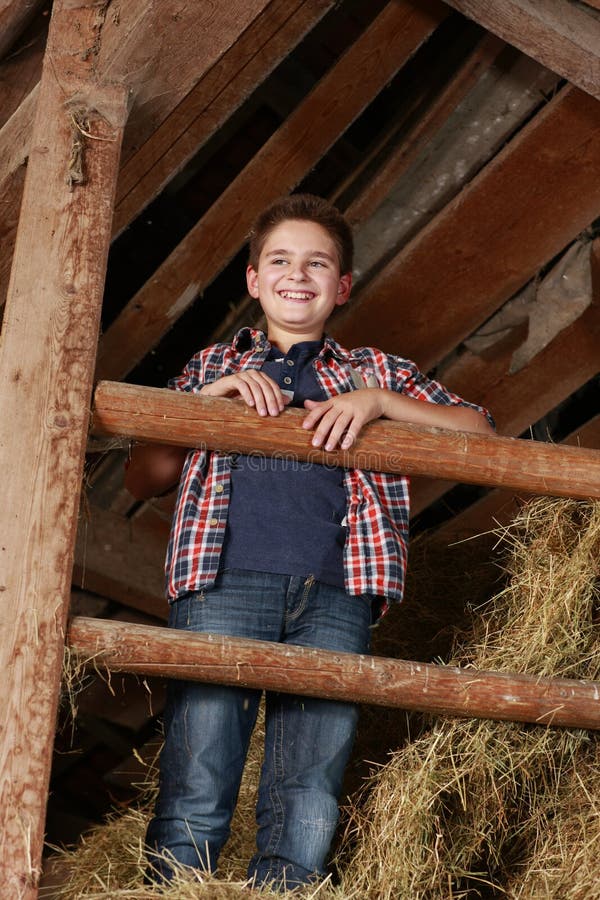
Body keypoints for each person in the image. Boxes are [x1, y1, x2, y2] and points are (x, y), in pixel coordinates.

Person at [125, 193, 495, 891]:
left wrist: (380, 406)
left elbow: (480, 432)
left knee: (308, 794)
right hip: (221, 587)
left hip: (337, 597)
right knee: (199, 777)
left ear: (343, 285)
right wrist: (208, 406)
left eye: (318, 263)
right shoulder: (211, 367)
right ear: (254, 279)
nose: (299, 275)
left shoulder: (375, 373)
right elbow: (145, 475)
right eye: (281, 261)